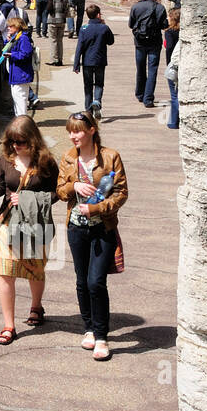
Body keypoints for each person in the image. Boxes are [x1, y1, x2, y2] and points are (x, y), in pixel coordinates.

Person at [56, 111, 128, 361]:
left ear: (91, 131)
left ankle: (101, 336)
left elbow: (121, 193)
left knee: (96, 281)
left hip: (102, 227)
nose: (72, 136)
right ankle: (88, 328)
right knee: (81, 280)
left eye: (77, 131)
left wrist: (96, 208)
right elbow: (60, 190)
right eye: (70, 131)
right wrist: (73, 186)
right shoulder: (68, 158)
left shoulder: (110, 157)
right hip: (76, 228)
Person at [0, 115, 58, 345]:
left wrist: (25, 199)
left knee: (35, 270)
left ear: (33, 140)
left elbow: (57, 193)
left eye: (21, 142)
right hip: (7, 222)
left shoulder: (46, 163)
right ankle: (9, 325)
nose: (16, 146)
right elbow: (1, 187)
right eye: (13, 141)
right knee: (6, 273)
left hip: (35, 224)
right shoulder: (5, 159)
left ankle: (36, 306)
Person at [129, 0, 170, 108]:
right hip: (155, 42)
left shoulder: (136, 7)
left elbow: (131, 24)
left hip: (140, 42)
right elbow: (164, 26)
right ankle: (148, 98)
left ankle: (140, 94)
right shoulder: (160, 8)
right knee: (152, 70)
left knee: (140, 68)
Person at [73, 4, 115, 117]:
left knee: (88, 86)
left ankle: (88, 110)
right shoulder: (104, 28)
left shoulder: (83, 29)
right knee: (99, 84)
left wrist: (76, 64)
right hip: (100, 61)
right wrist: (104, 25)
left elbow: (79, 47)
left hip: (87, 62)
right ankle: (97, 101)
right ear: (98, 15)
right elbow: (111, 41)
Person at [0, 17, 37, 117]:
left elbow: (25, 54)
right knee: (17, 100)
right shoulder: (16, 37)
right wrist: (7, 41)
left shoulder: (23, 38)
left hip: (21, 74)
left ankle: (22, 123)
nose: (8, 28)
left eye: (11, 26)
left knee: (20, 101)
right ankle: (20, 121)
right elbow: (7, 49)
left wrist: (12, 55)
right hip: (16, 74)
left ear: (17, 27)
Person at [166, 22, 181, 130]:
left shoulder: (170, 31)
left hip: (175, 68)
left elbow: (172, 51)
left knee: (175, 96)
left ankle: (173, 122)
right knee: (177, 95)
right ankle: (174, 120)